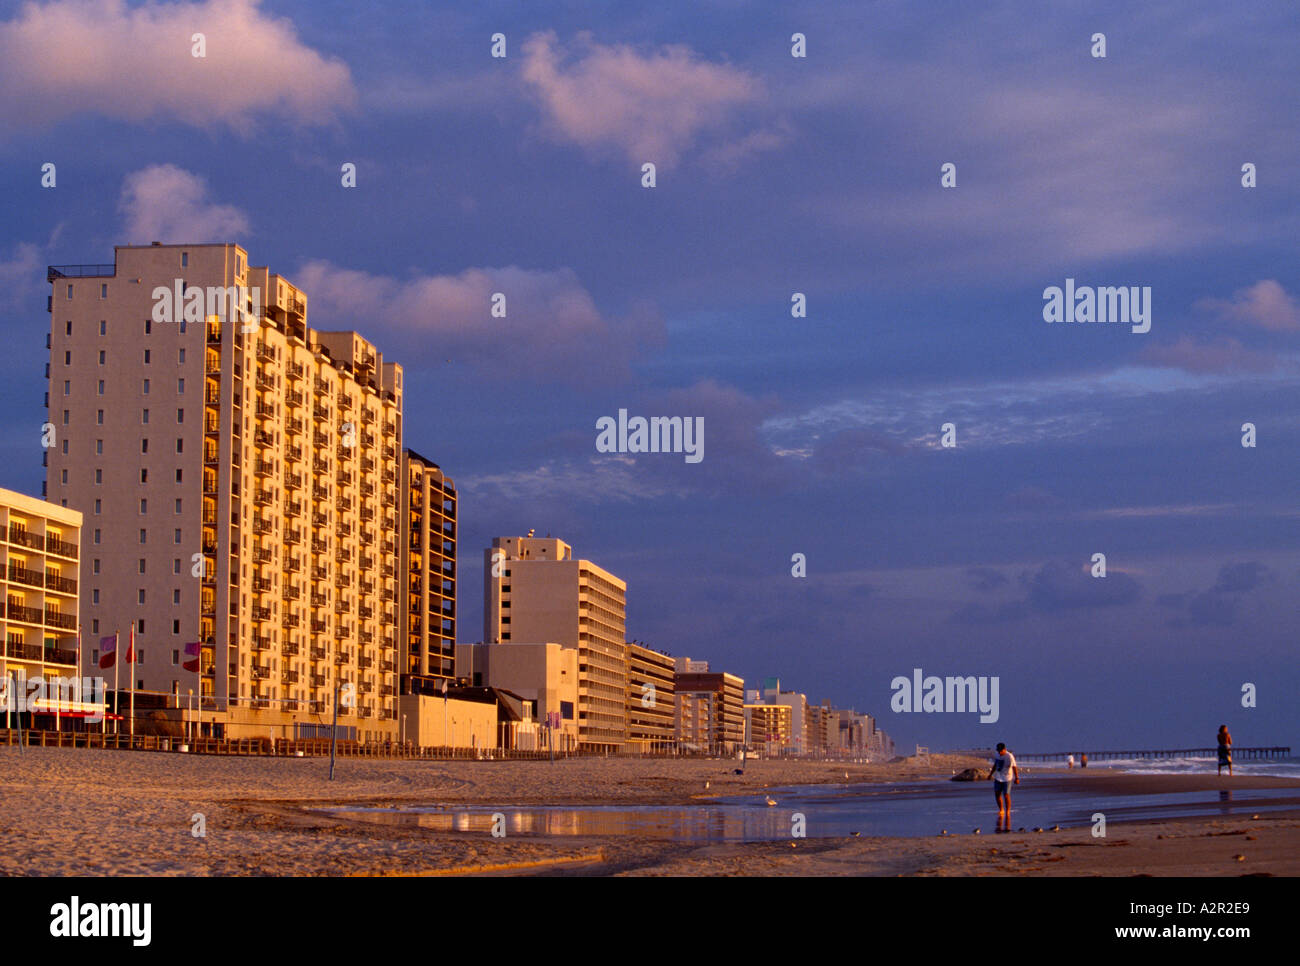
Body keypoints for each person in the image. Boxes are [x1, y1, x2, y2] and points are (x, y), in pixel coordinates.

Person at [988, 742, 1019, 816]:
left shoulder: (1009, 756)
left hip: (1007, 777)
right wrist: (990, 774)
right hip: (998, 776)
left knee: (1006, 795)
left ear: (1004, 749)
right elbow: (995, 765)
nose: (999, 752)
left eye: (1001, 751)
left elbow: (1014, 767)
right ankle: (1001, 809)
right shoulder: (997, 755)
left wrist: (1017, 778)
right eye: (998, 751)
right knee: (997, 794)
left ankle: (1008, 811)